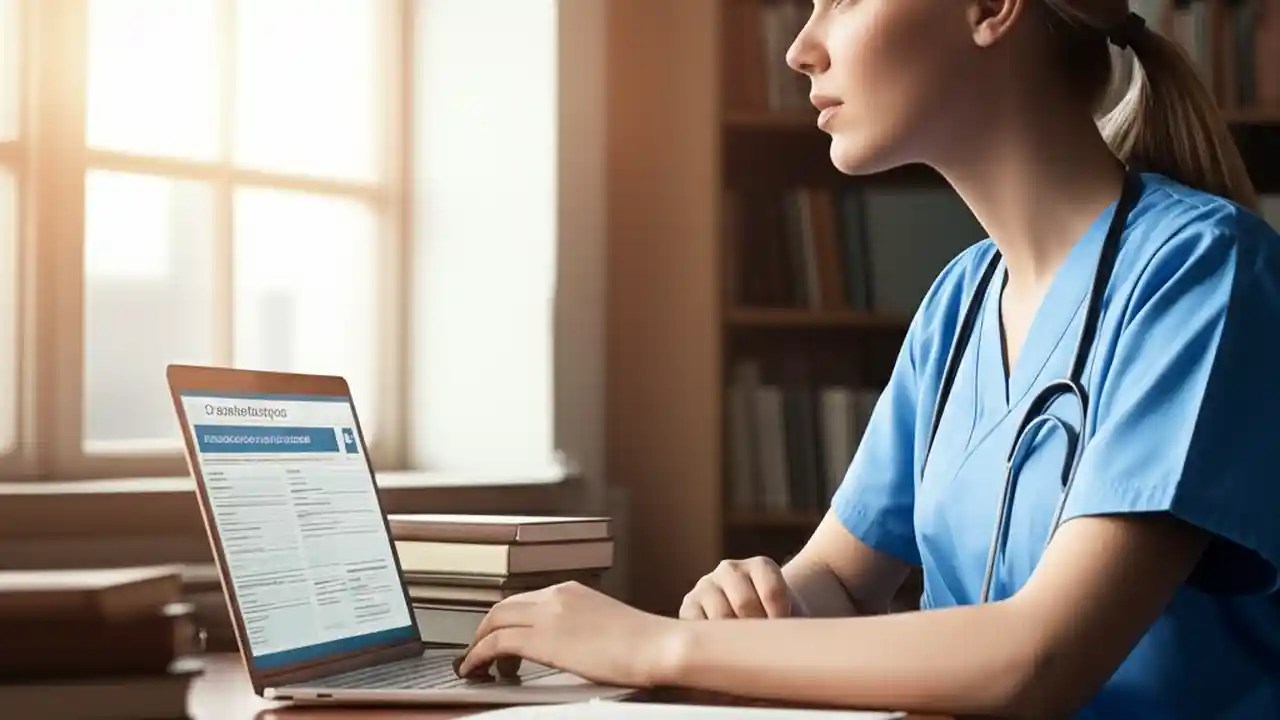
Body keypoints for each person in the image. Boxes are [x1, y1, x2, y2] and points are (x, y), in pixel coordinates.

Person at [457, 0, 1280, 716]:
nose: (800, 47)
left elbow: (1039, 660)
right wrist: (755, 601)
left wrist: (656, 647)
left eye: (842, 0)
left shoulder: (1202, 272)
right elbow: (841, 581)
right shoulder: (959, 304)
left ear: (992, 6)